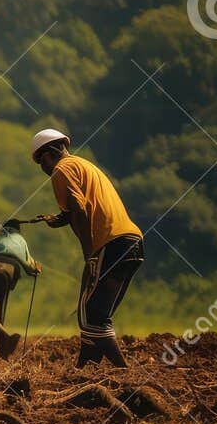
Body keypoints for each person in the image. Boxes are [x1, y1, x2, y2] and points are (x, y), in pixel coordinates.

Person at [30, 128, 145, 368]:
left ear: (50, 153)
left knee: (91, 316)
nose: (43, 168)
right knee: (96, 313)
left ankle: (125, 372)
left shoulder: (61, 170)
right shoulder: (84, 165)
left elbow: (80, 210)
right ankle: (82, 371)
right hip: (132, 242)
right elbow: (80, 208)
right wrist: (59, 219)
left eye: (41, 161)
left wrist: (89, 254)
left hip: (110, 243)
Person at [0, 220, 41, 358]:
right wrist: (36, 268)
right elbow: (30, 266)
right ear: (18, 230)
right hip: (7, 273)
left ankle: (6, 339)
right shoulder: (20, 240)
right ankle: (3, 349)